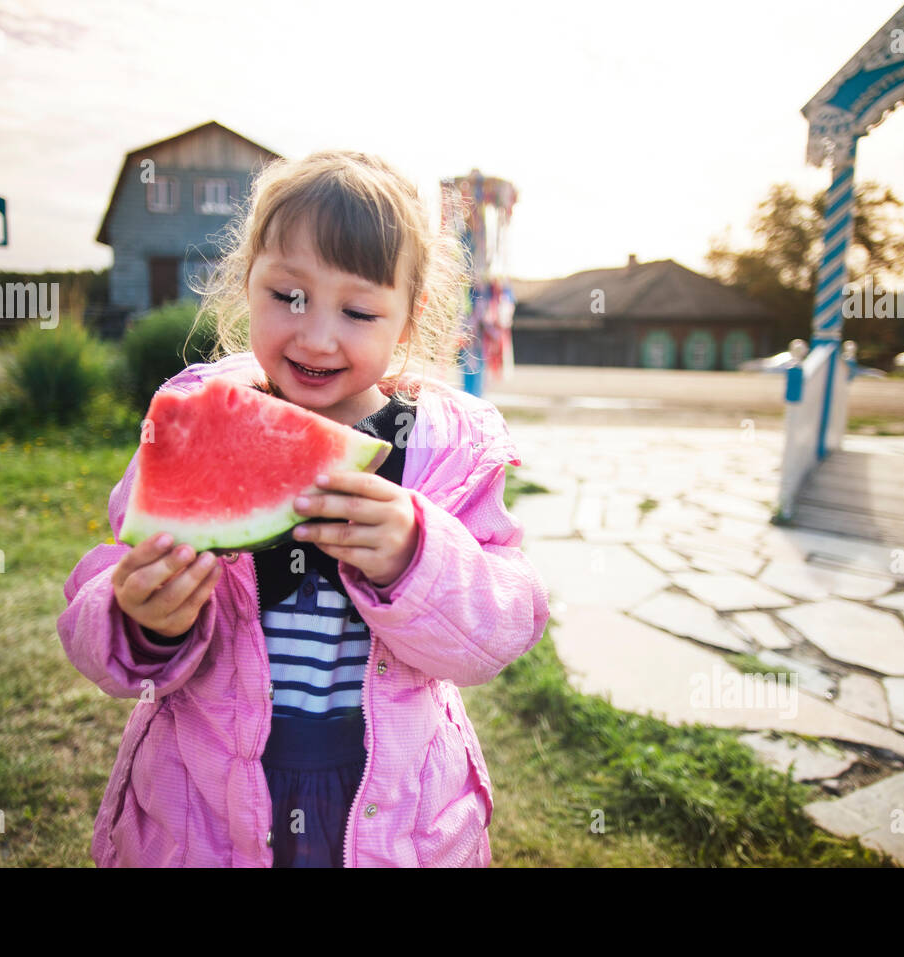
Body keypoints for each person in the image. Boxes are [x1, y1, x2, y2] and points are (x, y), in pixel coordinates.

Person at [57, 150, 550, 867]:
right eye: (288, 296)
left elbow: (505, 621)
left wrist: (420, 553)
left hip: (390, 804)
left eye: (356, 310)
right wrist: (137, 617)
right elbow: (100, 612)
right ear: (245, 285)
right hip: (208, 806)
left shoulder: (445, 451)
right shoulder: (195, 423)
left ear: (408, 321)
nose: (317, 336)